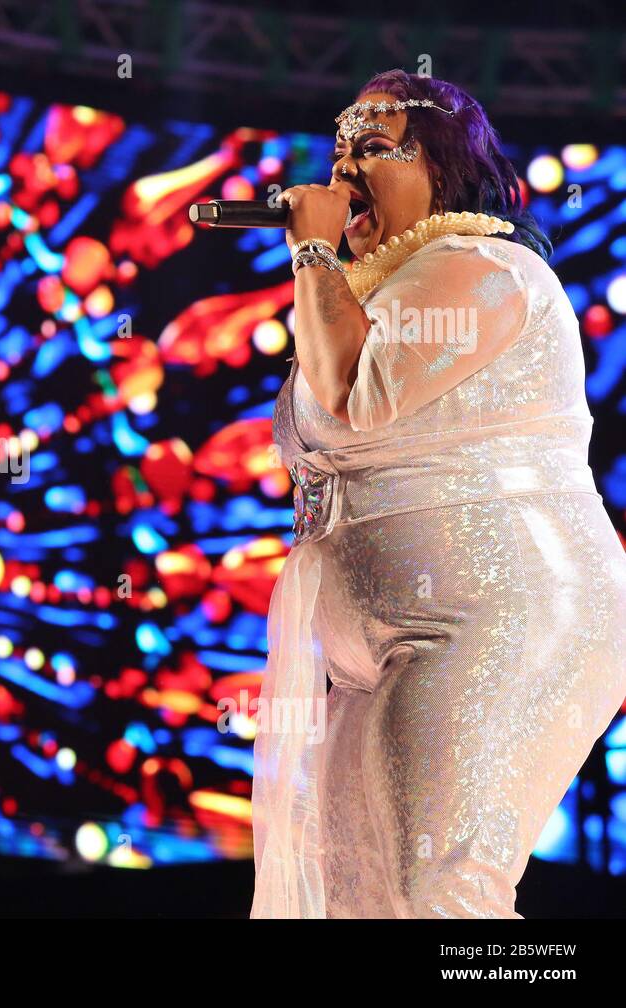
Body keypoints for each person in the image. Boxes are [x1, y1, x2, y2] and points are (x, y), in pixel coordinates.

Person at [252, 68, 626, 918]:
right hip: (375, 651)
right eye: (340, 151)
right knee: (358, 898)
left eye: (375, 151)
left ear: (445, 171)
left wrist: (312, 252)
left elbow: (355, 397)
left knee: (444, 891)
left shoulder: (480, 264)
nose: (344, 173)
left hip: (492, 617)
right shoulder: (366, 293)